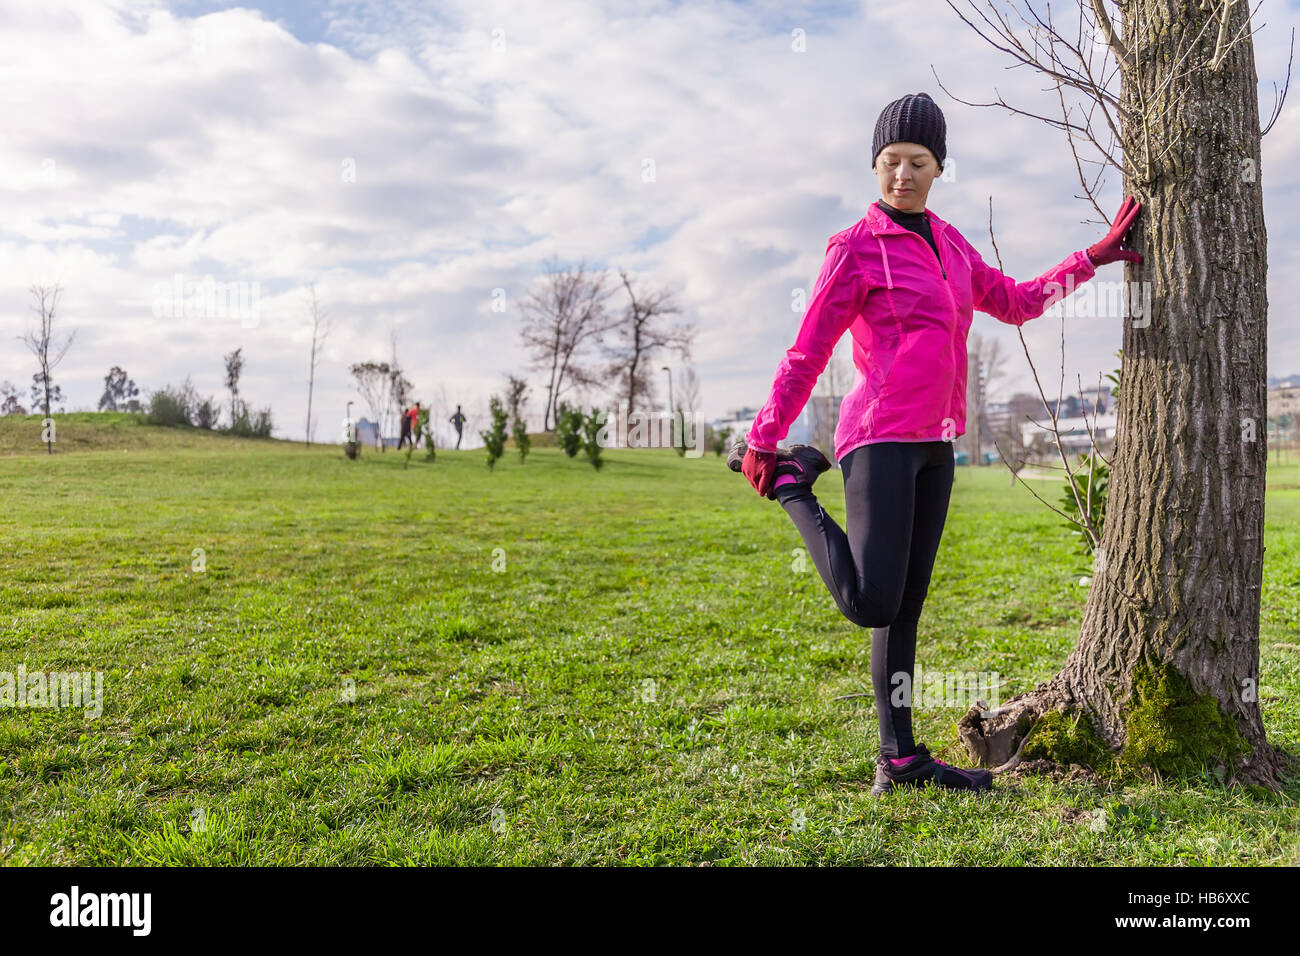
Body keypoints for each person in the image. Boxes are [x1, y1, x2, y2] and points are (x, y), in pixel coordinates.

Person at [728, 91, 1142, 797]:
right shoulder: (853, 249)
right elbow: (808, 351)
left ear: (938, 167)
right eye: (889, 161)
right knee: (870, 602)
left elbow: (1012, 301)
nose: (901, 174)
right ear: (875, 166)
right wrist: (767, 439)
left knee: (906, 609)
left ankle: (901, 760)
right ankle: (798, 487)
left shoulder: (950, 244)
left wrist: (1090, 259)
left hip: (936, 445)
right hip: (879, 437)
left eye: (917, 161)